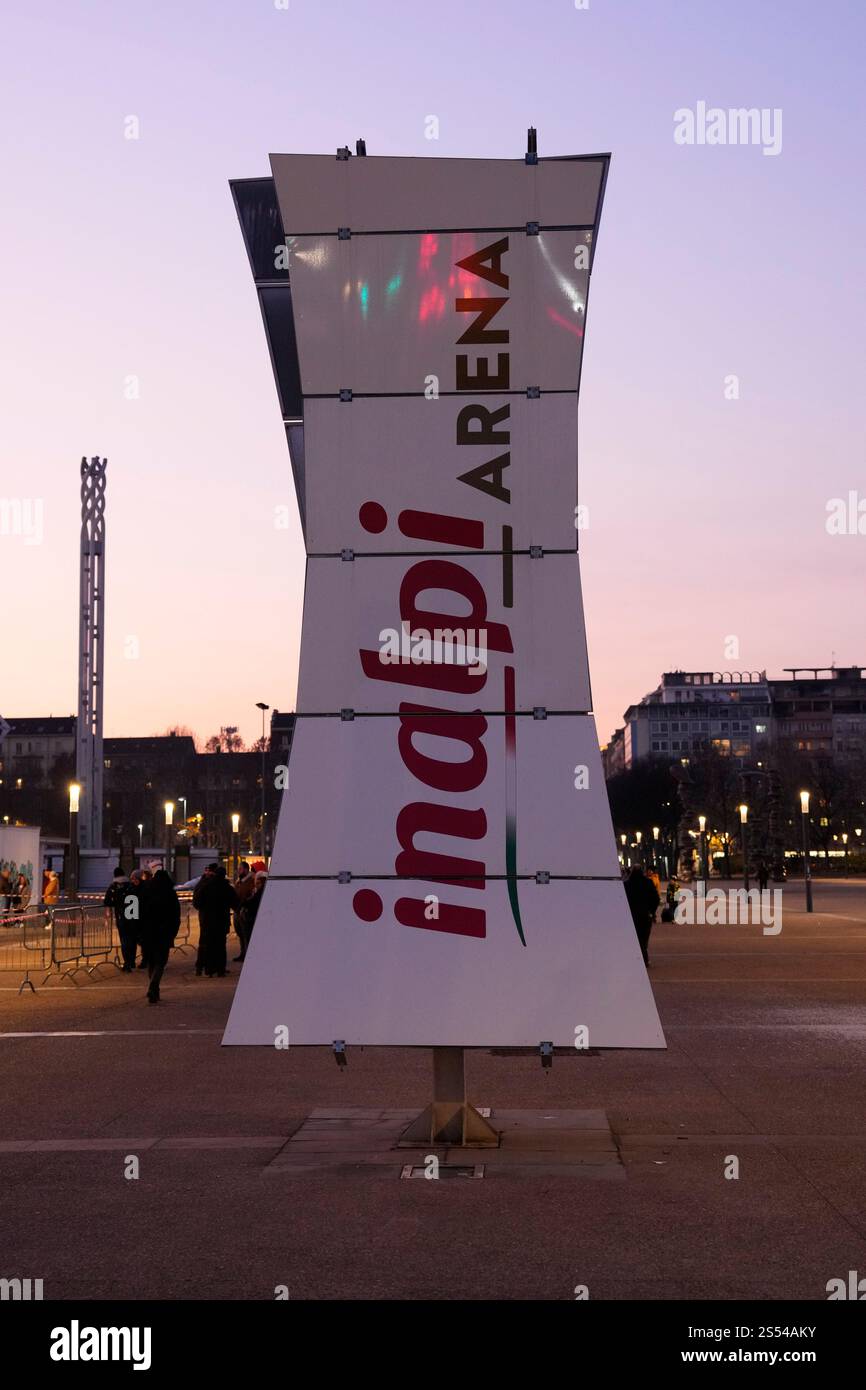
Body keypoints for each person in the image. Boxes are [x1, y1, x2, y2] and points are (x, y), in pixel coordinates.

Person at [140, 868, 180, 1004]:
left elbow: (138, 912)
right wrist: (173, 932)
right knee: (161, 962)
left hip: (147, 932)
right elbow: (176, 916)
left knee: (151, 961)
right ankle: (154, 986)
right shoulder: (170, 893)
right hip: (164, 933)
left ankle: (153, 987)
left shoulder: (146, 891)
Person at [193, 864, 238, 978]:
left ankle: (208, 969)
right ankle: (220, 970)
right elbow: (235, 903)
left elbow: (196, 902)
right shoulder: (227, 887)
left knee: (207, 944)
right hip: (222, 921)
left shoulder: (206, 885)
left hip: (207, 920)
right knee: (221, 945)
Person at [624, 865, 660, 968]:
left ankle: (637, 959)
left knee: (633, 938)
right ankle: (644, 958)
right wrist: (652, 911)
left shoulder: (627, 884)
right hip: (645, 915)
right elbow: (656, 899)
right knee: (643, 938)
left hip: (631, 915)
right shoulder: (648, 883)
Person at [104, 865, 136, 970]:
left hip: (121, 916)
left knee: (124, 940)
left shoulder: (113, 886)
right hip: (133, 915)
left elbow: (108, 902)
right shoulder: (131, 885)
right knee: (132, 939)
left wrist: (108, 915)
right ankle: (132, 961)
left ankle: (127, 963)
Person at [238, 871, 267, 956]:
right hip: (251, 917)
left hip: (252, 918)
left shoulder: (260, 892)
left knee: (249, 939)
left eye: (258, 883)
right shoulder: (258, 891)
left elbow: (252, 902)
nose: (256, 884)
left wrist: (243, 903)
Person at [232, 861, 256, 961]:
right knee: (240, 933)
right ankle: (243, 953)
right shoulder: (239, 881)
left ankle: (248, 954)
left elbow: (249, 894)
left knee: (246, 934)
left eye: (241, 869)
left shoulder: (251, 881)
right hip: (237, 910)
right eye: (238, 869)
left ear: (246, 869)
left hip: (245, 911)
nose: (239, 871)